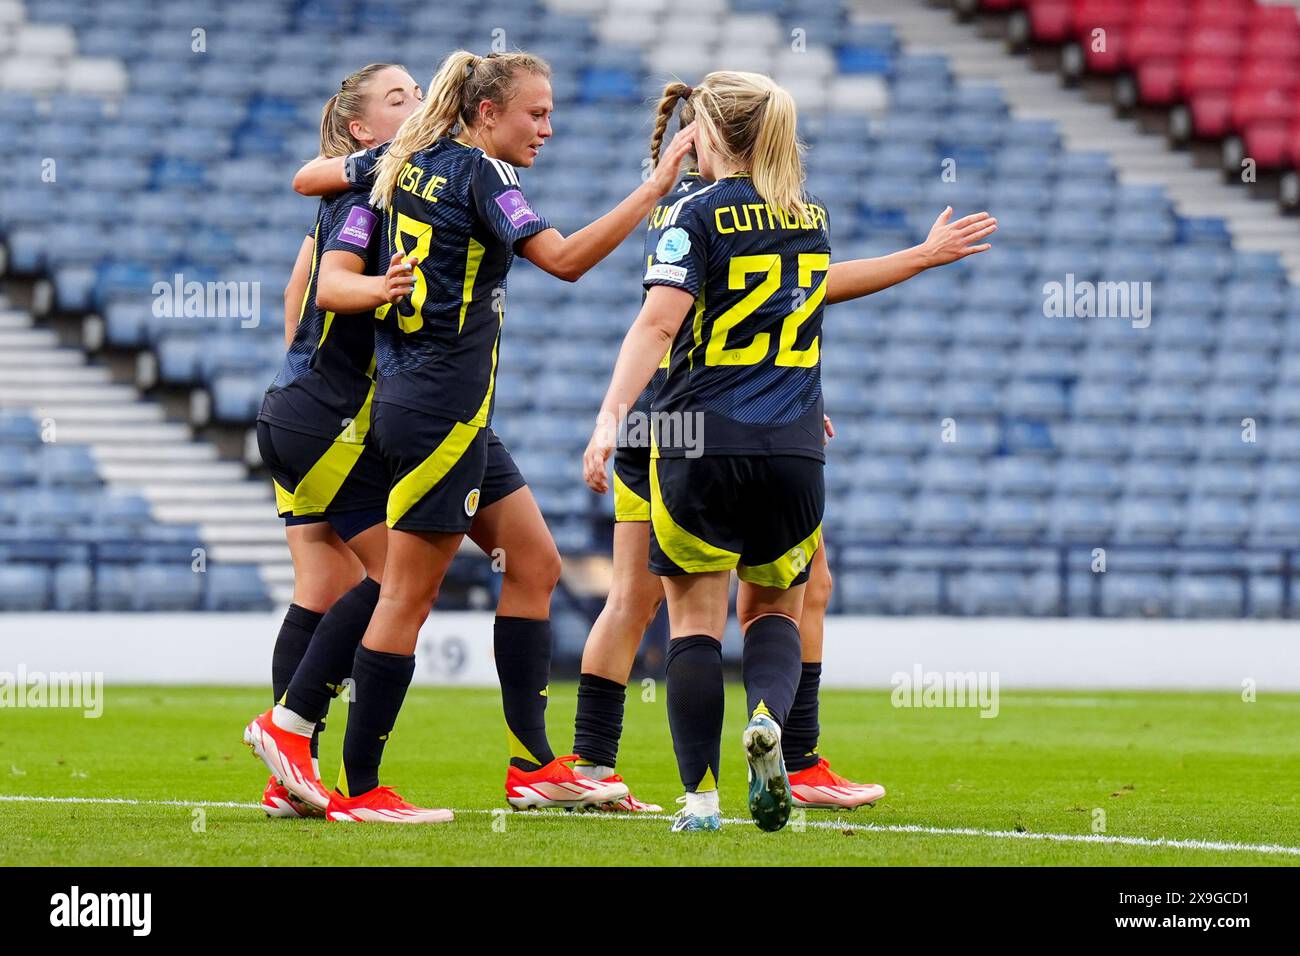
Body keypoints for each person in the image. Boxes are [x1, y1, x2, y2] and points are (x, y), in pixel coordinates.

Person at [248, 49, 696, 823]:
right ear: (487, 112)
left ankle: (534, 767)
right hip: (435, 411)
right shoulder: (482, 173)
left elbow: (311, 189)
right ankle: (342, 771)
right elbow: (564, 261)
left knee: (534, 562)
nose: (547, 129)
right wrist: (654, 188)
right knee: (401, 591)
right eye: (536, 114)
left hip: (437, 410)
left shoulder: (403, 162)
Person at [582, 72, 995, 832]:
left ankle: (697, 800)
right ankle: (773, 727)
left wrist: (610, 417)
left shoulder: (689, 212)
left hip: (697, 433)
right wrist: (919, 256)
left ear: (709, 132)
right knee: (779, 604)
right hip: (794, 443)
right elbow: (804, 295)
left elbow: (658, 324)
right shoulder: (808, 213)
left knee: (690, 616)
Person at [249, 64, 422, 818]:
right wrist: (319, 389)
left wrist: (299, 374)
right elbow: (318, 288)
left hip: (304, 414)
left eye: (419, 93)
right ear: (361, 128)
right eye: (398, 98)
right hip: (328, 423)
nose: (416, 103)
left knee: (321, 589)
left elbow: (297, 288)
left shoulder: (355, 191)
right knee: (393, 581)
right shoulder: (367, 193)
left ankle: (290, 776)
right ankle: (289, 733)